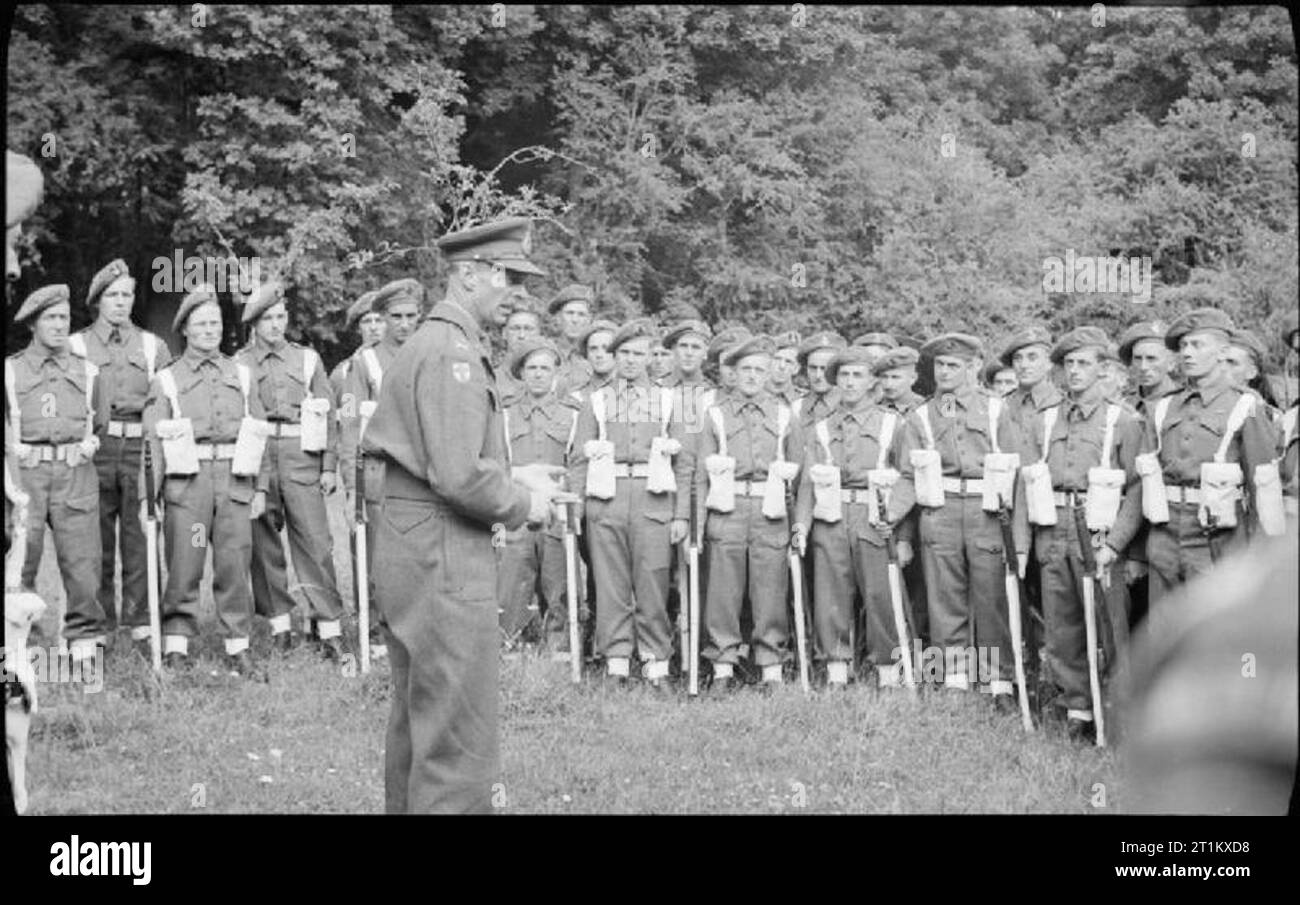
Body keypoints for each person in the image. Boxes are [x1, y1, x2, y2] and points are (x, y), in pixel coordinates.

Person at [361, 216, 561, 814]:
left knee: (422, 716)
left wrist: (514, 473)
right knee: (457, 727)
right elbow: (458, 475)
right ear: (470, 275)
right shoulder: (452, 352)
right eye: (506, 276)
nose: (515, 293)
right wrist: (525, 503)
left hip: (417, 543)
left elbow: (445, 457)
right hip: (441, 554)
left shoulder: (441, 343)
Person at [1098, 308, 1280, 642]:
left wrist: (1261, 561)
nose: (1187, 352)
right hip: (1164, 537)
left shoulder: (1247, 409)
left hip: (1218, 540)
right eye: (1183, 345)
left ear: (1223, 352)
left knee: (1217, 634)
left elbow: (1264, 493)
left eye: (1197, 344)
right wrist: (1114, 544)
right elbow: (1142, 484)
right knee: (1164, 634)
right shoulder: (1163, 408)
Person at [142, 284, 271, 678]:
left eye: (215, 323)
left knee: (234, 565)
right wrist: (149, 498)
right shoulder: (167, 379)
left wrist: (261, 487)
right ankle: (177, 646)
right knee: (186, 563)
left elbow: (259, 430)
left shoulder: (242, 374)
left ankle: (239, 647)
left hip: (233, 484)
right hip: (190, 488)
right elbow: (153, 443)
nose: (210, 330)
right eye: (201, 324)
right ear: (185, 329)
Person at [896, 333, 1029, 710]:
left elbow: (1019, 472)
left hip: (988, 510)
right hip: (939, 509)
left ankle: (998, 680)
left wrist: (1018, 537)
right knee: (944, 596)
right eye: (940, 365)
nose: (945, 372)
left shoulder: (996, 410)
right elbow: (909, 474)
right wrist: (890, 517)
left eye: (954, 365)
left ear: (973, 367)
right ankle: (953, 678)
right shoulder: (920, 415)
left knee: (991, 598)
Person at [1024, 327, 1143, 742]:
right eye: (1068, 364)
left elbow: (1137, 488)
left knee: (1109, 626)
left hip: (1098, 533)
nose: (1074, 372)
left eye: (1084, 364)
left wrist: (1115, 544)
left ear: (1104, 369)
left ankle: (1117, 712)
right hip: (1053, 528)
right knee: (1062, 626)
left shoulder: (1123, 421)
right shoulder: (1044, 420)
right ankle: (1077, 709)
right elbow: (1027, 481)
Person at [570, 319, 694, 688]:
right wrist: (577, 507)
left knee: (653, 581)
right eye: (623, 353)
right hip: (606, 498)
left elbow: (685, 462)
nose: (630, 361)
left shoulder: (672, 399)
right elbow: (579, 457)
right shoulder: (595, 399)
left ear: (652, 358)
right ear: (613, 356)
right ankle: (617, 662)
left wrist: (682, 514)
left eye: (638, 354)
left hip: (653, 498)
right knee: (610, 583)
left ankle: (656, 663)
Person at [67, 259, 173, 657]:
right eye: (112, 295)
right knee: (93, 540)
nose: (120, 302)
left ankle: (141, 622)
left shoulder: (152, 346)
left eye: (127, 295)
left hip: (139, 450)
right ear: (97, 301)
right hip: (95, 450)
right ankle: (98, 625)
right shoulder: (76, 346)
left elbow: (167, 404)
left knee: (140, 536)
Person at [236, 280, 347, 658]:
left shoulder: (308, 359)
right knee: (263, 544)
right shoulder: (240, 364)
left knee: (315, 543)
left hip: (302, 454)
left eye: (280, 317)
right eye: (267, 319)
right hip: (260, 456)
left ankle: (327, 625)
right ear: (254, 323)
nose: (275, 325)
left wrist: (329, 466)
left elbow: (328, 414)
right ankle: (279, 624)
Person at [793, 345, 914, 688]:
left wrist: (902, 533)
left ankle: (888, 673)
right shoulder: (819, 427)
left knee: (880, 595)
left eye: (858, 375)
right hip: (831, 515)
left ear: (872, 381)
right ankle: (836, 669)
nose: (849, 382)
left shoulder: (894, 424)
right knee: (831, 595)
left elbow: (907, 477)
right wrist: (801, 525)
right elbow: (807, 481)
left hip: (877, 516)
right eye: (843, 375)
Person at [693, 336, 803, 690]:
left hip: (771, 512)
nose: (753, 376)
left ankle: (770, 667)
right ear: (733, 373)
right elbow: (699, 475)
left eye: (759, 369)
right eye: (745, 370)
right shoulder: (714, 415)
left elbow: (801, 473)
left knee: (770, 590)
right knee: (723, 592)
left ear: (771, 372)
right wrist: (697, 525)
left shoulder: (787, 415)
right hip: (727, 509)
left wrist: (799, 522)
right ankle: (723, 666)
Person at [7, 284, 105, 667]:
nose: (59, 325)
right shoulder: (10, 371)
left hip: (74, 471)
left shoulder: (89, 370)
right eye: (50, 318)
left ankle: (82, 643)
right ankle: (23, 639)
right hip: (26, 474)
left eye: (64, 317)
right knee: (21, 559)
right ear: (33, 323)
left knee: (82, 561)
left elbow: (102, 418)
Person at [496, 338, 583, 655]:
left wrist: (573, 510)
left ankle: (560, 649)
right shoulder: (503, 415)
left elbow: (578, 465)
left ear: (556, 373)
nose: (538, 374)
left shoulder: (573, 414)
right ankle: (509, 645)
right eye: (531, 368)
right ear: (521, 373)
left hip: (557, 513)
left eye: (545, 368)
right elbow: (495, 462)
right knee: (509, 580)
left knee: (559, 582)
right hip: (514, 512)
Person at [874, 345, 928, 644]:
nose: (890, 384)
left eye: (896, 376)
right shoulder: (875, 411)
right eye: (884, 377)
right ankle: (893, 651)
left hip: (921, 513)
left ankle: (922, 648)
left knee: (923, 589)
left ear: (913, 377)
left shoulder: (925, 411)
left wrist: (906, 535)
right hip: (887, 513)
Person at [1000, 325, 1063, 434]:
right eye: (1017, 358)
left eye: (1032, 358)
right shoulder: (1001, 406)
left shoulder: (1063, 405)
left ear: (1049, 363)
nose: (1024, 365)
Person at [792, 331, 847, 430]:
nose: (818, 376)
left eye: (824, 368)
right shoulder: (797, 407)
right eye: (813, 368)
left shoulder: (851, 407)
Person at [547, 283, 596, 395]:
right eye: (569, 313)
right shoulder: (545, 351)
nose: (575, 320)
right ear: (558, 318)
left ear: (589, 320)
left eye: (581, 315)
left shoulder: (596, 355)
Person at [767, 331, 804, 408]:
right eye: (777, 359)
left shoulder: (803, 401)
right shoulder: (753, 394)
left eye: (788, 361)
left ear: (796, 369)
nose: (782, 366)